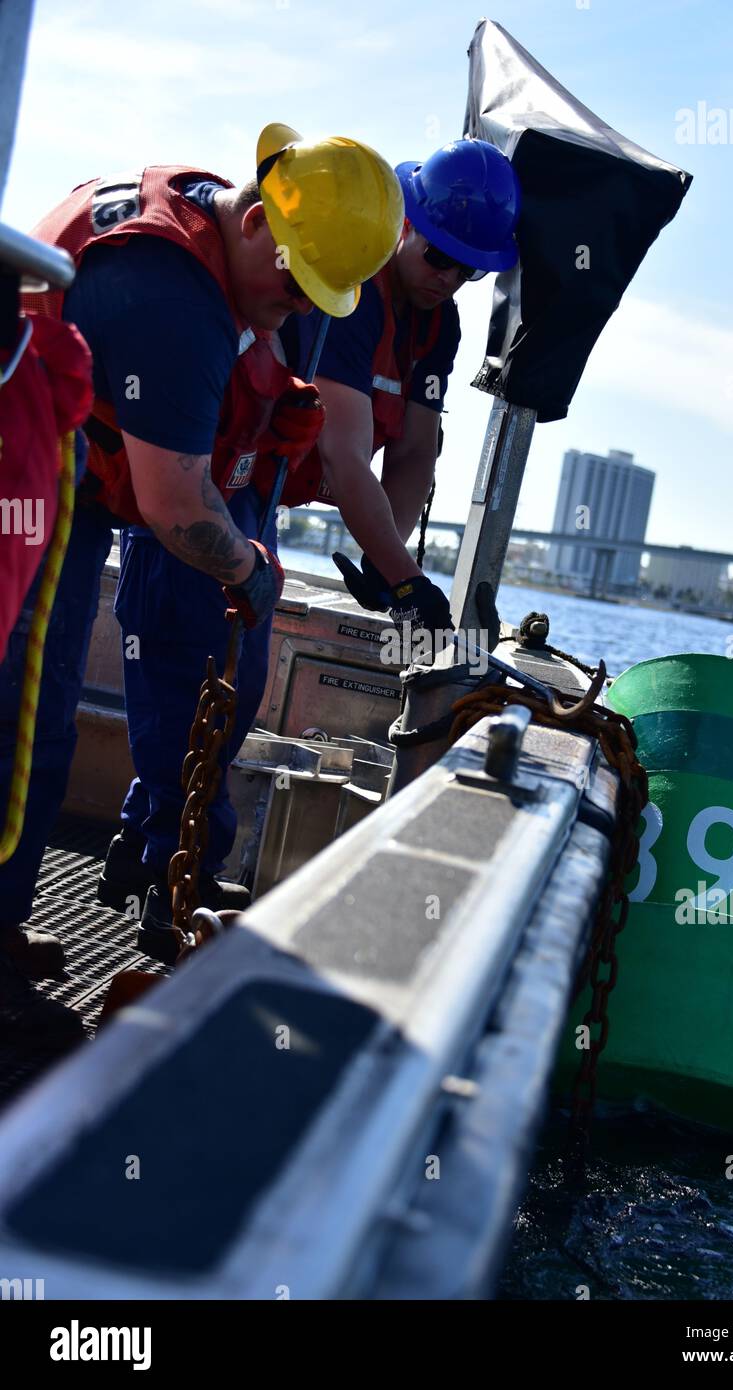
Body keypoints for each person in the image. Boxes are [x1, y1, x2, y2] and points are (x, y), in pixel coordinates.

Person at [0, 123, 403, 1040]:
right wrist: (245, 564)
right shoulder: (169, 302)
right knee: (24, 705)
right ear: (257, 221)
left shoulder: (213, 240)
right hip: (25, 468)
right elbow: (178, 507)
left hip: (63, 458)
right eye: (293, 284)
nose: (290, 311)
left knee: (37, 709)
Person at [278, 139, 522, 639]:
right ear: (405, 225)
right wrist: (406, 578)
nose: (449, 278)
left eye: (468, 269)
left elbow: (414, 450)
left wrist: (382, 557)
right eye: (438, 256)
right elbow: (342, 457)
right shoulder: (358, 293)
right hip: (233, 479)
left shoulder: (439, 328)